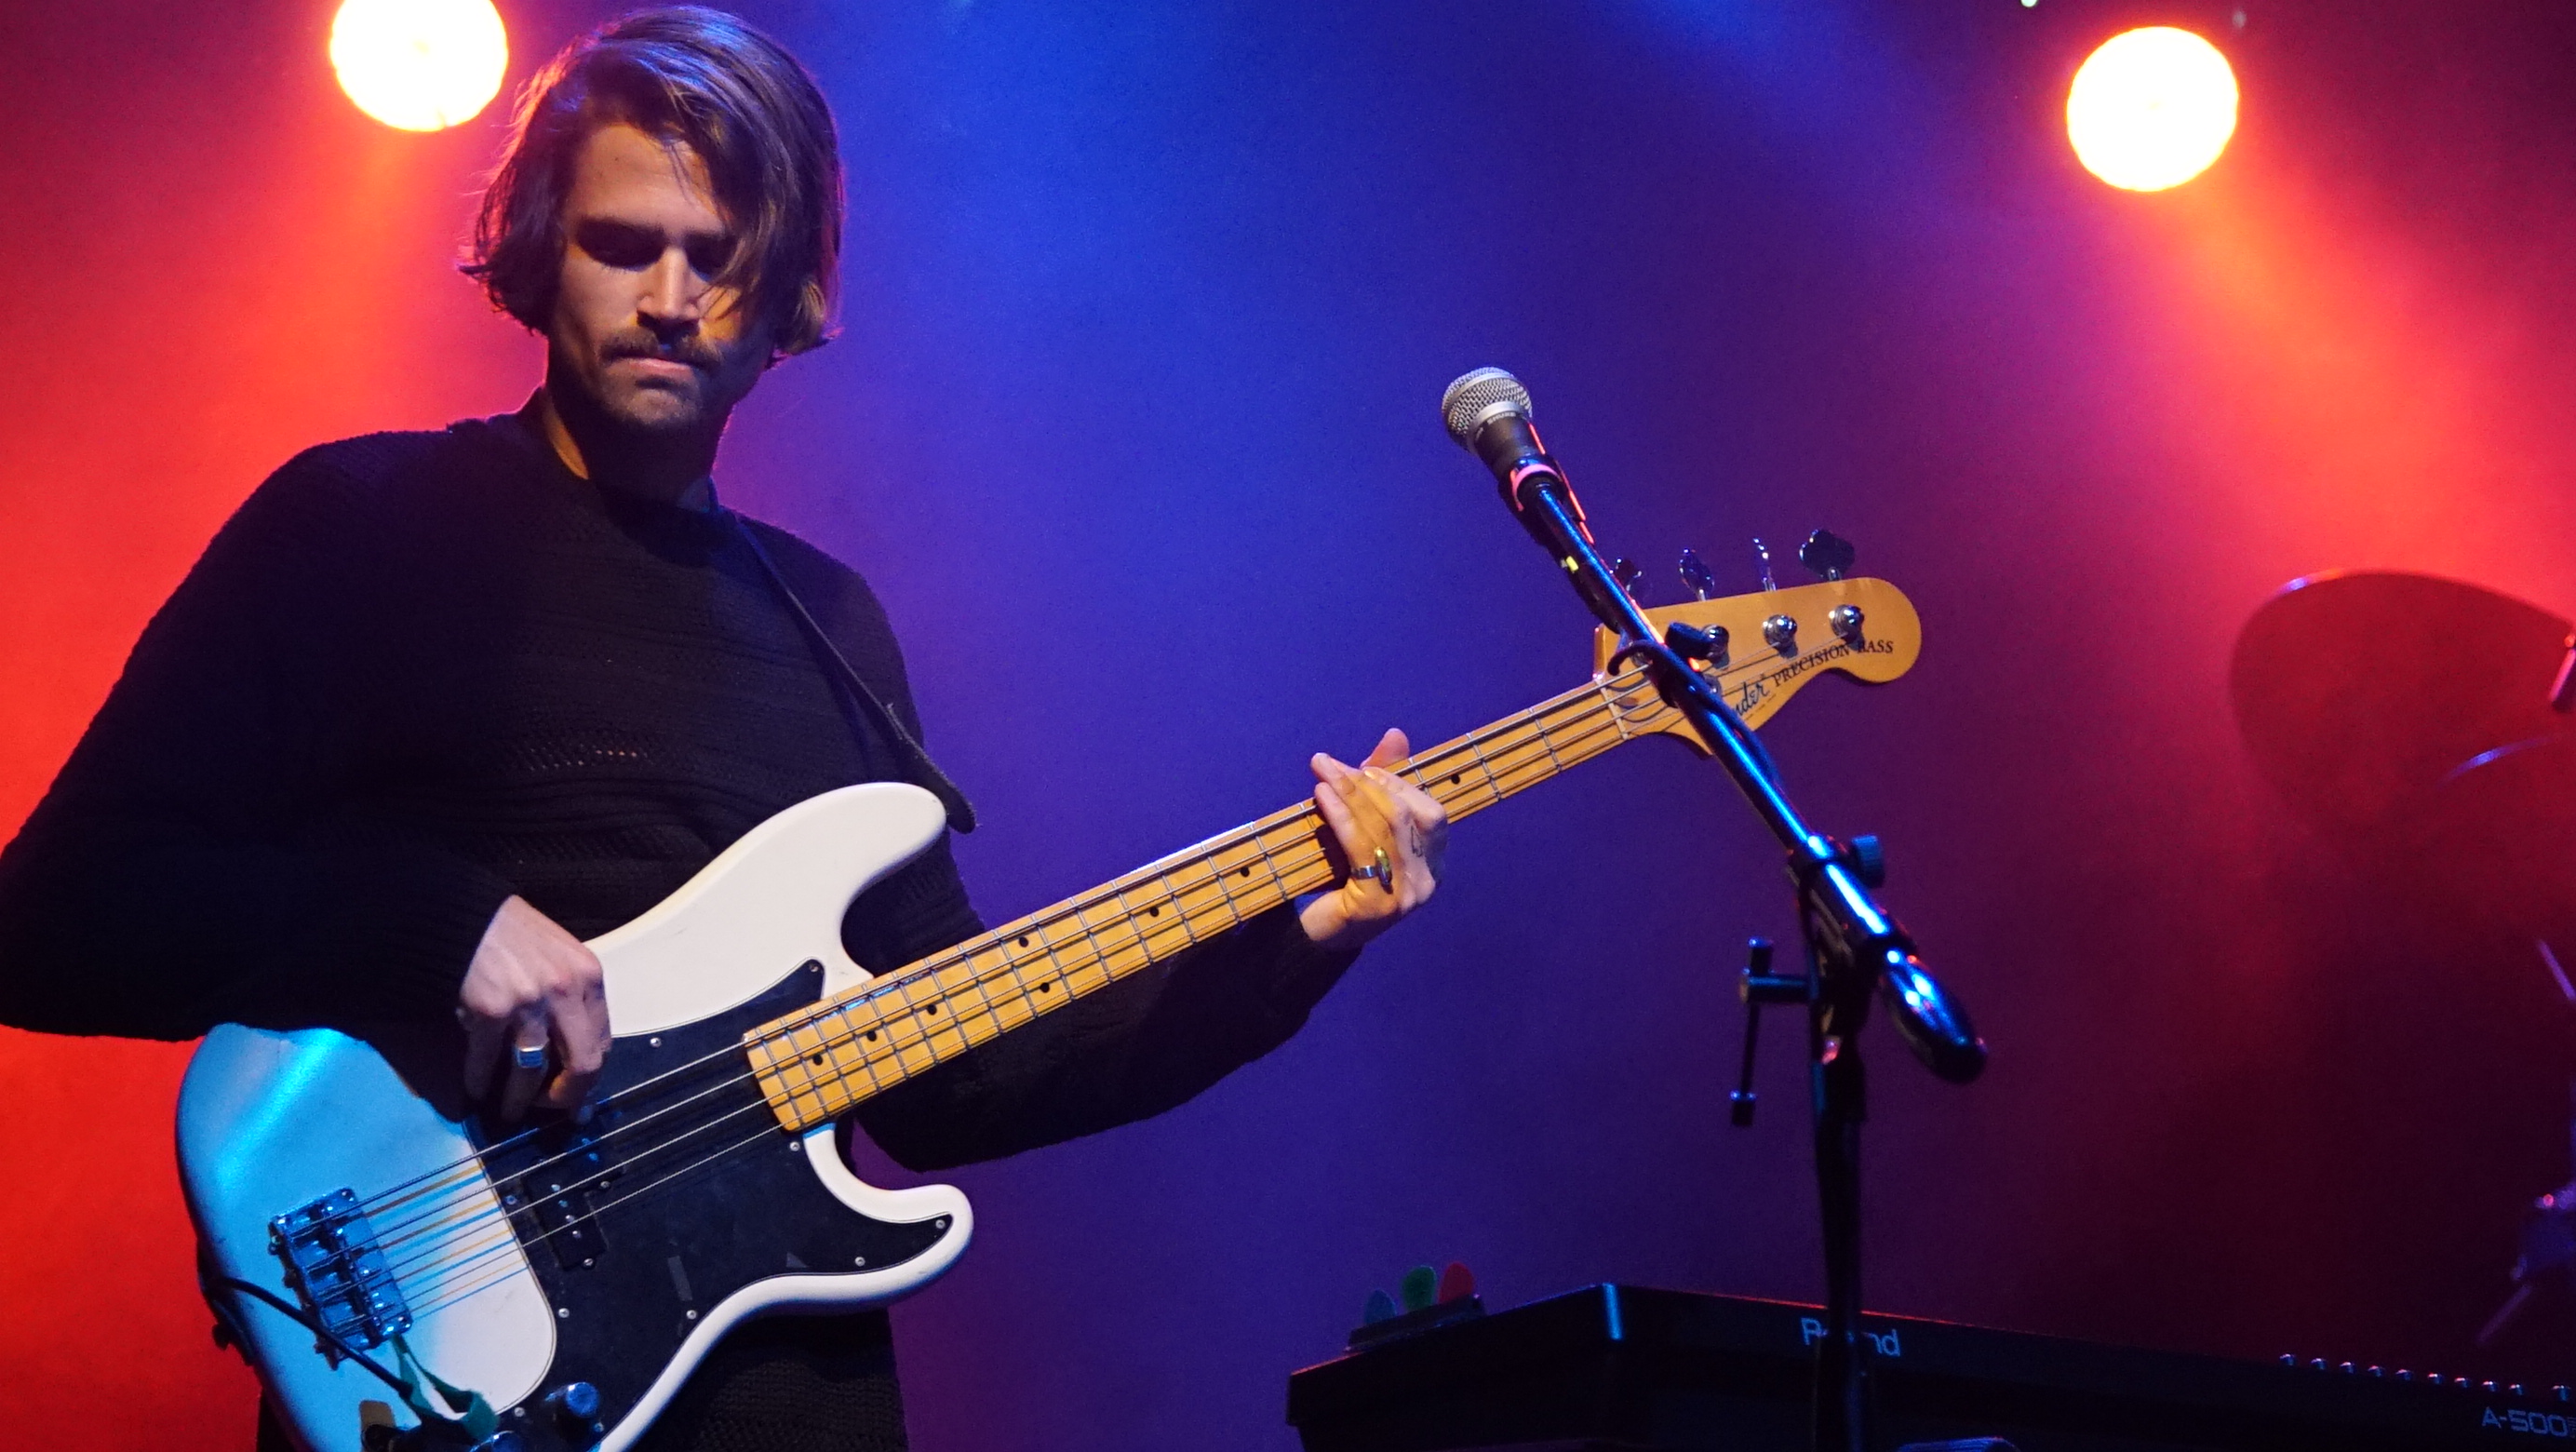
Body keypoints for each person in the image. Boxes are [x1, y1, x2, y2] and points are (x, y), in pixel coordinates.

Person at [0, 9, 1447, 1449]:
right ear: (537, 250)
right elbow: (58, 918)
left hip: (787, 1405)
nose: (672, 297)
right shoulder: (358, 530)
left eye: (720, 257)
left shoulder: (829, 621)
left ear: (787, 302)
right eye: (623, 245)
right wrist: (437, 924)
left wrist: (1294, 940)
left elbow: (963, 1074)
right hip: (454, 1382)